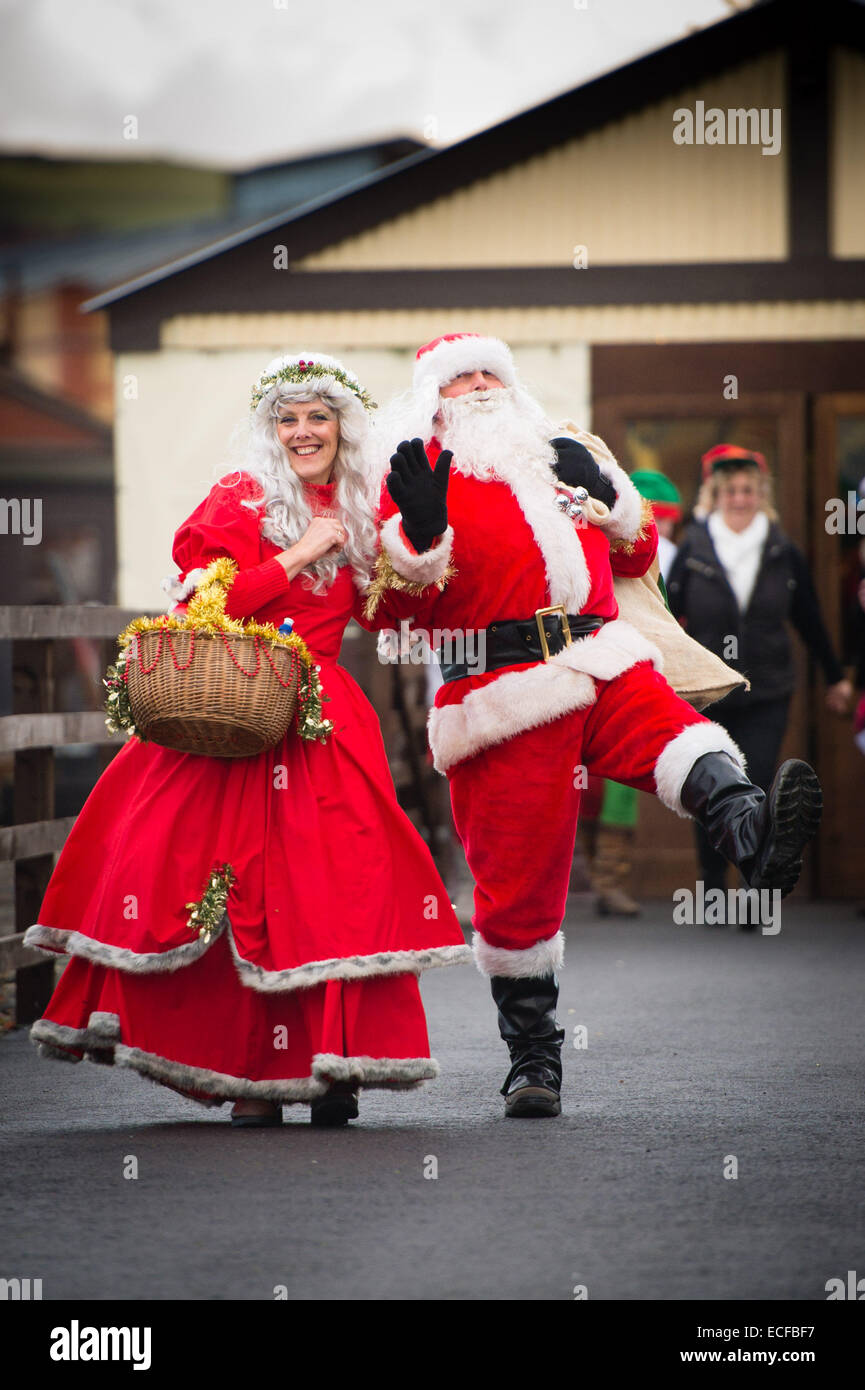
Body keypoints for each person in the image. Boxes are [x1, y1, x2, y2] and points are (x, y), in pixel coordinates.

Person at [365, 332, 823, 1119]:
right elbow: (394, 612)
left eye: (488, 372)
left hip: (600, 654)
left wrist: (611, 504)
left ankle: (751, 835)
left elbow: (640, 550)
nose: (477, 386)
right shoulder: (415, 468)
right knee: (517, 885)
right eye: (459, 376)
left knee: (678, 737)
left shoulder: (562, 448)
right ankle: (534, 1054)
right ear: (434, 392)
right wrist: (418, 534)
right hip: (502, 692)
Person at [24, 352, 470, 1127]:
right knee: (216, 882)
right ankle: (244, 1074)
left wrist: (421, 540)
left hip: (322, 718)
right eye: (288, 419)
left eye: (318, 417)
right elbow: (206, 606)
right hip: (235, 706)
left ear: (341, 427)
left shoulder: (363, 505)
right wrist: (298, 553)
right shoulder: (243, 497)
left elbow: (393, 613)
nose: (303, 432)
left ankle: (333, 1067)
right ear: (271, 430)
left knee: (334, 883)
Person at [666, 444, 850, 907]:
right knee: (710, 781)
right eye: (731, 490)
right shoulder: (695, 547)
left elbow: (809, 619)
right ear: (716, 493)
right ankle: (711, 887)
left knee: (762, 782)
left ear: (760, 493)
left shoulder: (782, 551)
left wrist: (835, 677)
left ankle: (756, 893)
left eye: (748, 489)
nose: (740, 498)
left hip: (768, 688)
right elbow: (669, 618)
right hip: (709, 689)